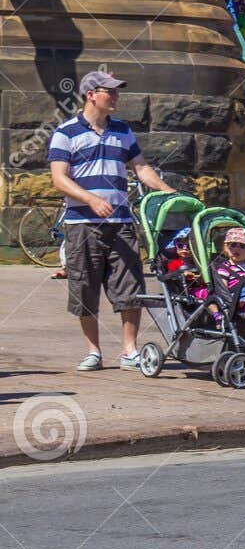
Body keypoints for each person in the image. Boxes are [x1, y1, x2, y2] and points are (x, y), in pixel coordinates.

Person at [49, 70, 175, 371]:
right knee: (84, 288)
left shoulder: (122, 130)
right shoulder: (66, 133)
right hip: (82, 225)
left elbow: (140, 168)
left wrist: (167, 191)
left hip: (121, 222)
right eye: (110, 91)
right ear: (91, 94)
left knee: (130, 286)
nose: (116, 96)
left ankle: (129, 351)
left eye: (117, 91)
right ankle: (93, 350)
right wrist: (91, 199)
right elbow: (58, 178)